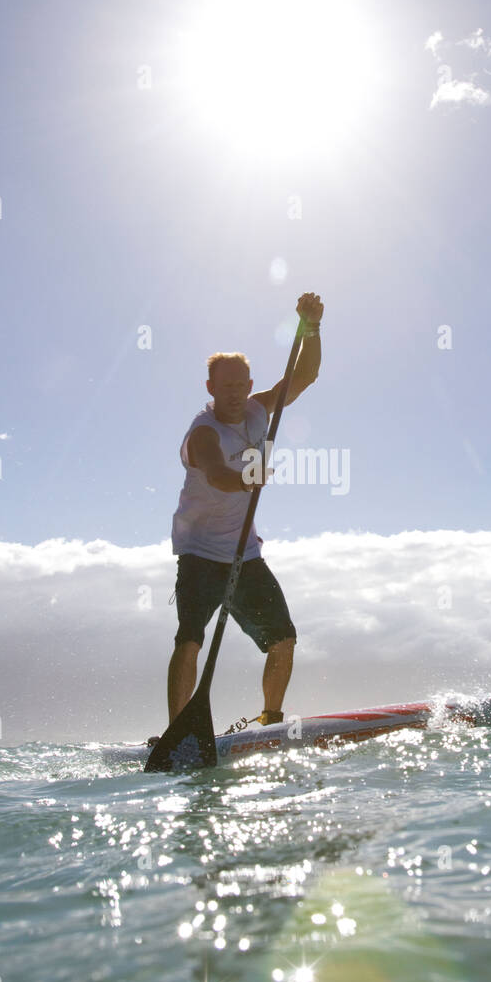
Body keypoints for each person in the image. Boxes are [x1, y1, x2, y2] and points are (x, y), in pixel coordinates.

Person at [167, 293, 323, 726]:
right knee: (189, 643)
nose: (235, 394)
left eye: (241, 385)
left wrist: (311, 328)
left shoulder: (258, 411)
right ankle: (177, 730)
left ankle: (270, 720)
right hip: (200, 554)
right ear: (211, 388)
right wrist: (246, 480)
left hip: (245, 553)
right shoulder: (203, 432)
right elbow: (216, 473)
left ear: (249, 387)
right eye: (226, 386)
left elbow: (305, 375)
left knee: (284, 639)